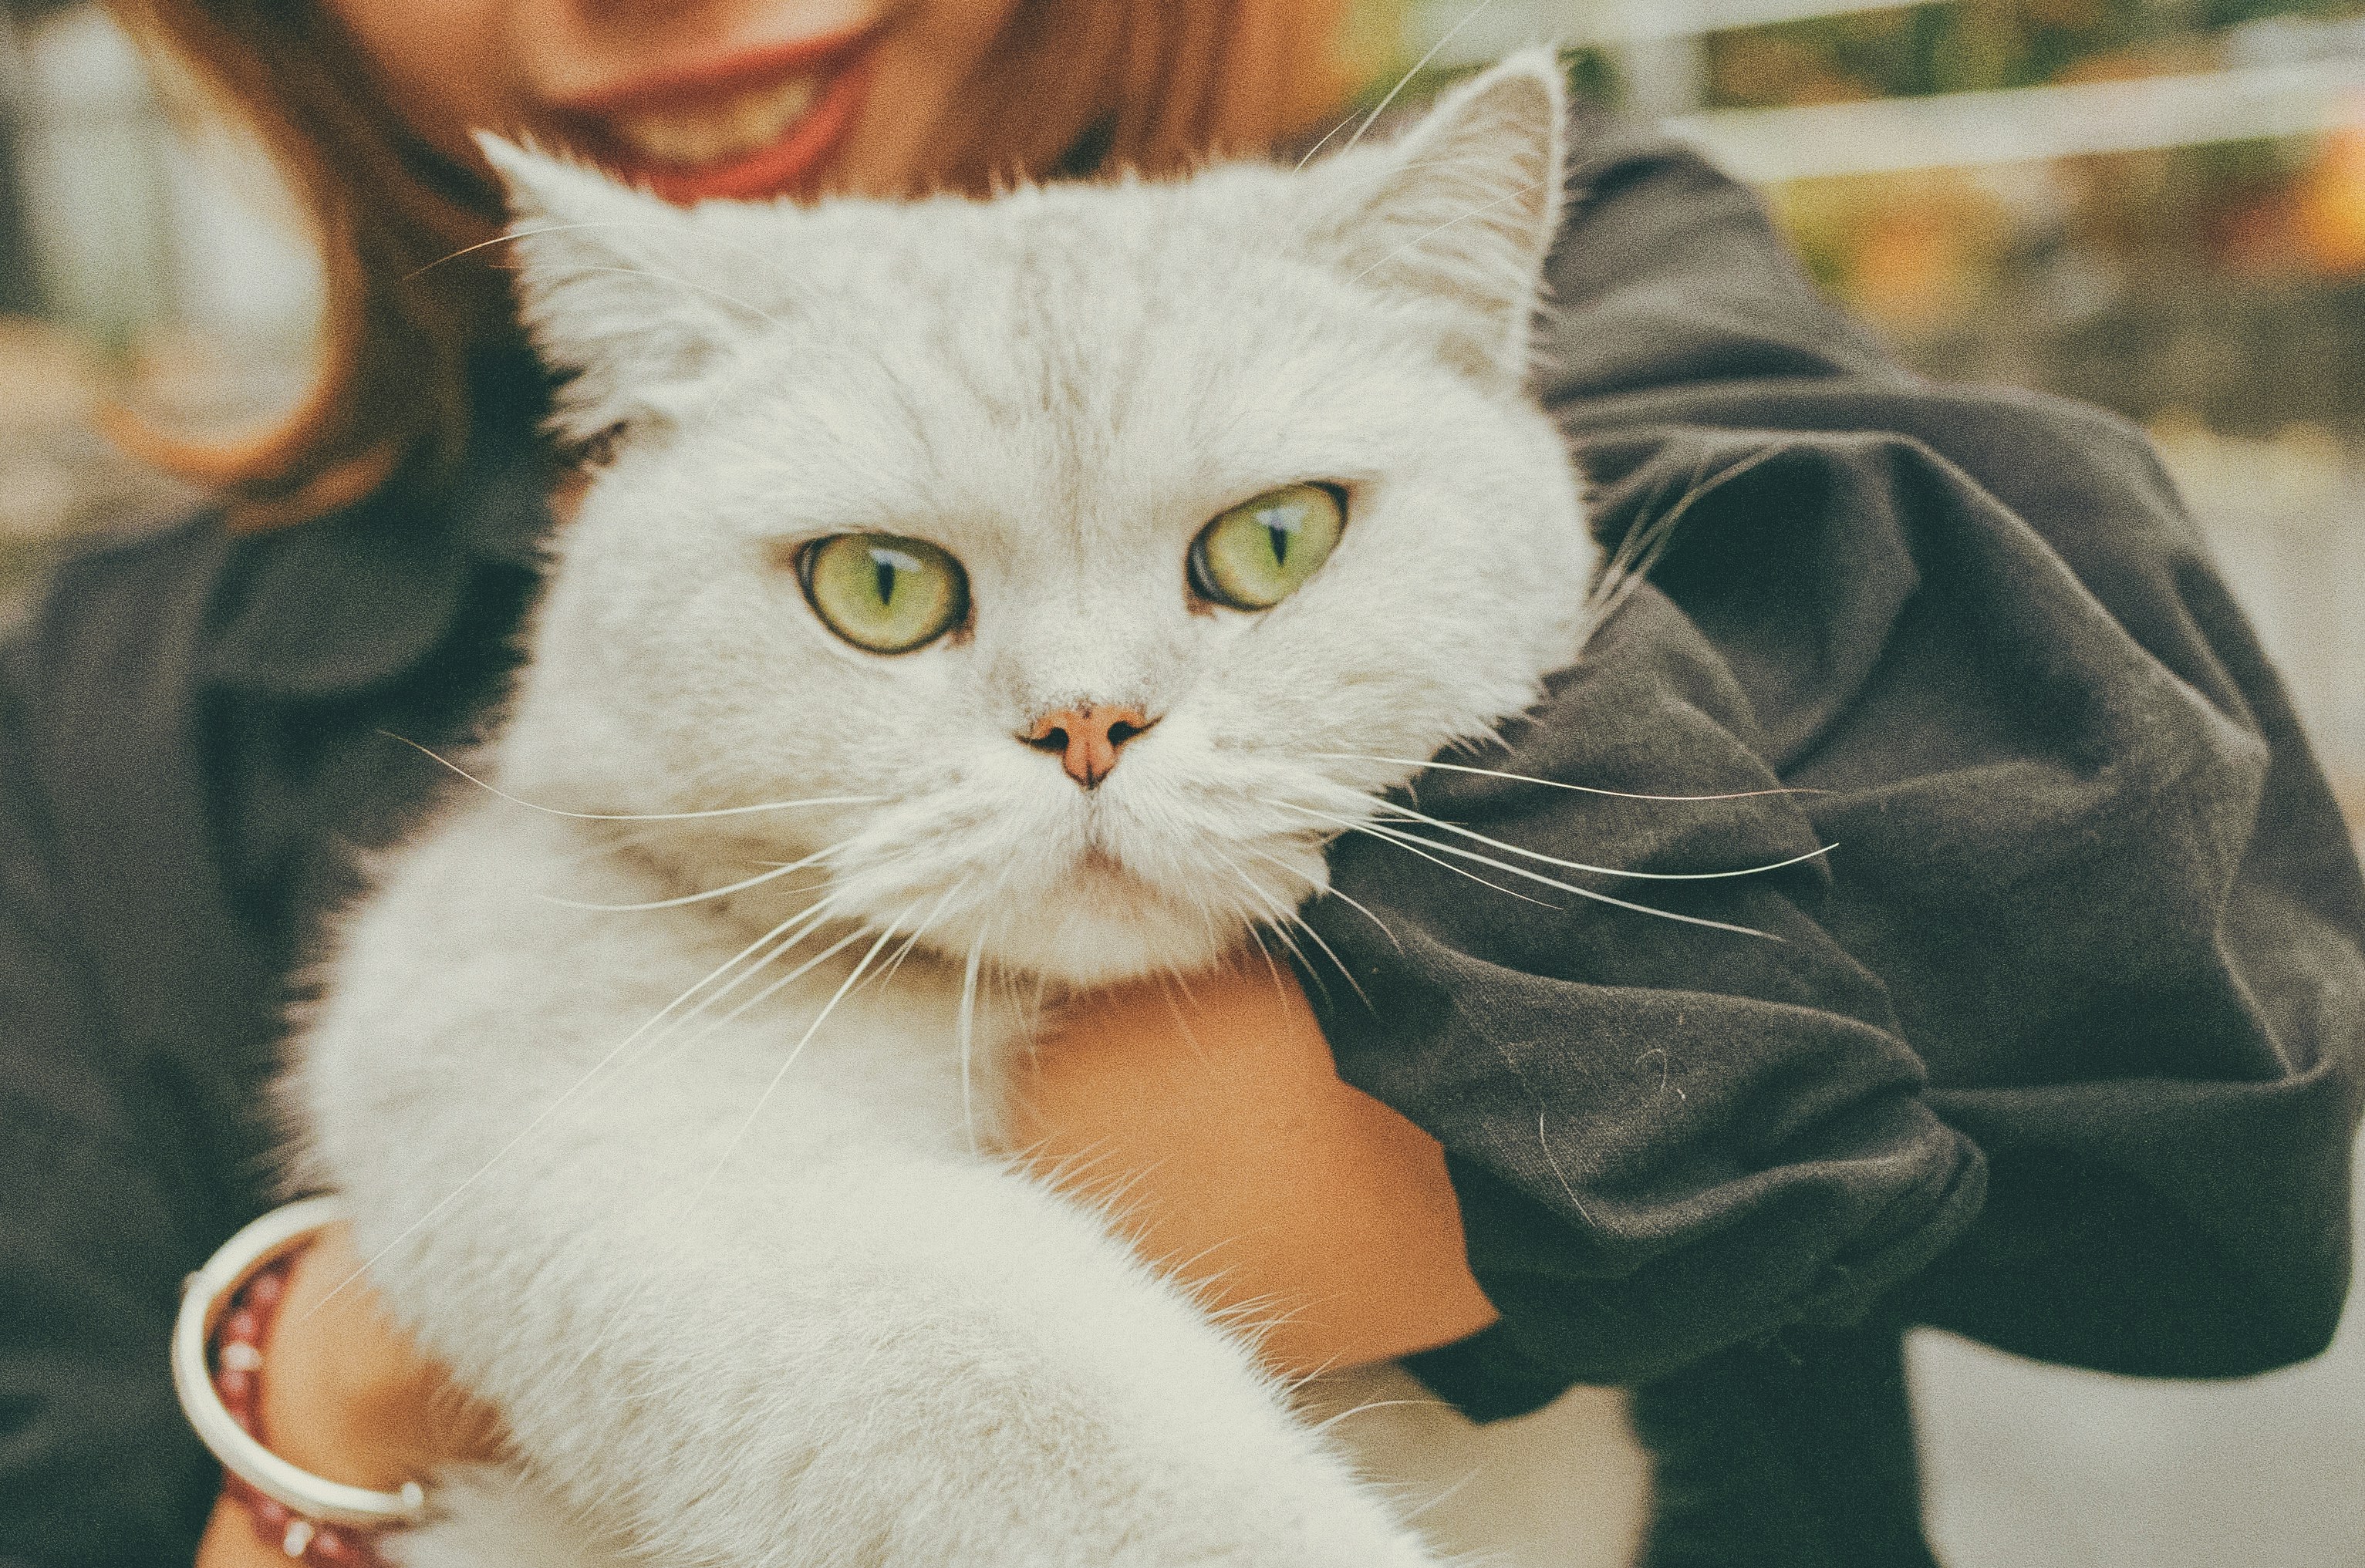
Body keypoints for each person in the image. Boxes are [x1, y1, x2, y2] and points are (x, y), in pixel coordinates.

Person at [3, 2, 2358, 1566]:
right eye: (889, 586)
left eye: (1256, 552)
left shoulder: (1612, 290)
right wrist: (361, 1358)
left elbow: (2124, 931)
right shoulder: (108, 696)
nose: (1085, 718)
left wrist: (385, 1344)